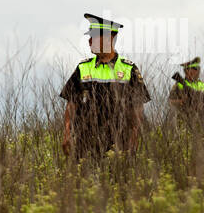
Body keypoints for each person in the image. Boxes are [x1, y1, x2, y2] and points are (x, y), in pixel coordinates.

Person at [60, 14, 150, 159]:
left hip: (120, 144)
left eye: (94, 37)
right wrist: (67, 134)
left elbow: (137, 109)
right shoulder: (83, 68)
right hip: (85, 144)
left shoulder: (129, 69)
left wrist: (134, 137)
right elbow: (71, 104)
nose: (89, 41)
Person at [168, 56, 204, 123]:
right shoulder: (179, 84)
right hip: (184, 118)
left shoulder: (201, 85)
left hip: (200, 119)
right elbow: (170, 101)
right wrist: (181, 101)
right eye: (190, 70)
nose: (195, 72)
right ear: (186, 71)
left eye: (196, 69)